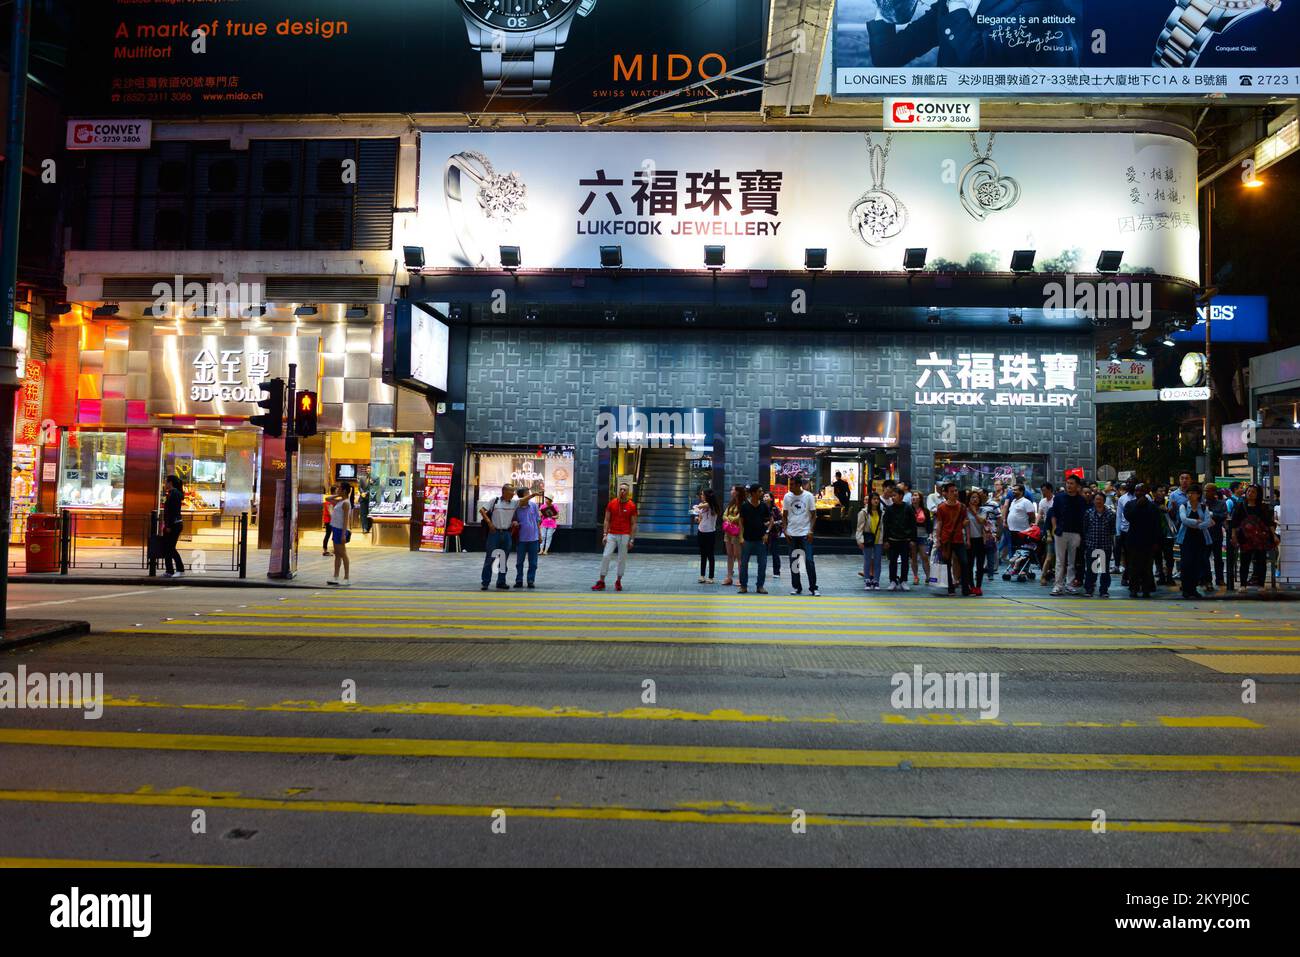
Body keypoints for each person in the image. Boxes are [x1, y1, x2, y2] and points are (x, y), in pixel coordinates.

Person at [479, 482, 524, 591]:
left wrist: (533, 495)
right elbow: (482, 510)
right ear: (504, 492)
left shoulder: (513, 503)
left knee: (503, 559)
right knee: (490, 558)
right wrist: (489, 523)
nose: (513, 493)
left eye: (513, 491)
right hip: (494, 534)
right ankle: (485, 582)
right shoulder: (495, 501)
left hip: (507, 534)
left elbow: (523, 501)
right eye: (511, 491)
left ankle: (501, 581)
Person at [1230, 483, 1275, 592]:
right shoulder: (1240, 505)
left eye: (1253, 492)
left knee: (1261, 561)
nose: (1250, 493)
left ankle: (1261, 585)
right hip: (1245, 538)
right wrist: (1233, 535)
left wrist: (1274, 536)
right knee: (1244, 561)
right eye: (1249, 491)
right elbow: (1234, 522)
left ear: (1258, 494)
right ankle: (1243, 585)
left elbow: (1269, 523)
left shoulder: (1263, 507)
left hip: (1260, 539)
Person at [593, 484, 638, 591]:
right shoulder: (612, 503)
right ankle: (601, 581)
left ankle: (618, 581)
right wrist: (605, 534)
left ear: (628, 492)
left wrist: (631, 539)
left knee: (621, 558)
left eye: (624, 490)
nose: (622, 491)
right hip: (612, 534)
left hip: (625, 534)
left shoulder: (632, 506)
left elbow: (634, 524)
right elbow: (607, 520)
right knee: (606, 556)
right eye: (621, 489)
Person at [782, 474, 819, 596]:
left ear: (799, 485)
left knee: (809, 561)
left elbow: (814, 515)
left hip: (805, 534)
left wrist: (811, 531)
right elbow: (785, 516)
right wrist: (785, 531)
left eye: (792, 484)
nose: (790, 487)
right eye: (789, 484)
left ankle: (813, 587)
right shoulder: (787, 497)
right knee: (794, 562)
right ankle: (797, 587)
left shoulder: (808, 496)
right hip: (792, 534)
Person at [1049, 475, 1087, 596]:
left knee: (1072, 561)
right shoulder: (1059, 498)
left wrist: (1081, 534)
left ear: (1077, 486)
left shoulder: (1081, 500)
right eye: (1068, 483)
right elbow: (1053, 514)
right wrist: (1054, 528)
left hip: (1076, 533)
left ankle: (1070, 585)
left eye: (1072, 483)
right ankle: (1058, 585)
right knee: (1060, 561)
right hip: (1061, 532)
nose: (1069, 485)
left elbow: (1083, 518)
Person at [1175, 483, 1213, 600]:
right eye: (1189, 493)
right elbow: (1184, 520)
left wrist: (1197, 524)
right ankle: (1186, 589)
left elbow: (1208, 522)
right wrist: (1197, 522)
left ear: (1198, 495)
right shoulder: (1184, 506)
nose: (1190, 495)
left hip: (1200, 538)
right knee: (1186, 564)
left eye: (1193, 493)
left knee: (1197, 564)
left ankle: (1193, 589)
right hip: (1186, 539)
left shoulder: (1203, 507)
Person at [934, 483, 969, 596]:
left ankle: (965, 588)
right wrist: (938, 539)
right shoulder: (941, 507)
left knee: (964, 562)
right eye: (952, 491)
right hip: (946, 539)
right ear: (946, 493)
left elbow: (966, 523)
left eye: (956, 491)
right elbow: (939, 524)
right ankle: (950, 588)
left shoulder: (962, 507)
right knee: (947, 564)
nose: (955, 493)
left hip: (959, 539)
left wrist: (968, 539)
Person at [1123, 483, 1158, 599]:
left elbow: (1155, 525)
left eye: (1142, 491)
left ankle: (1146, 589)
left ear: (1146, 492)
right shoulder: (1130, 504)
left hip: (1148, 541)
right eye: (1137, 491)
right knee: (1133, 566)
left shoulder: (1152, 506)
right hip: (1134, 540)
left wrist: (1155, 542)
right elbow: (1129, 517)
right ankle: (1134, 589)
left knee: (1147, 567)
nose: (1139, 493)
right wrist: (1137, 506)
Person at [737, 483, 771, 594]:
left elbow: (771, 520)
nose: (762, 493)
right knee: (744, 563)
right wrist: (741, 536)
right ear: (753, 493)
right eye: (760, 491)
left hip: (760, 539)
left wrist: (767, 533)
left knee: (762, 563)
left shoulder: (764, 506)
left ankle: (760, 586)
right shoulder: (745, 506)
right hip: (747, 539)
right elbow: (741, 522)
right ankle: (743, 586)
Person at [881, 483, 914, 592]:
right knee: (892, 562)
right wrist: (885, 540)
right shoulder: (889, 509)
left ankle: (904, 580)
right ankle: (893, 581)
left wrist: (912, 540)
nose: (892, 497)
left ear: (901, 496)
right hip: (892, 540)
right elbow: (886, 525)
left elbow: (912, 524)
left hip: (905, 540)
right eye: (892, 495)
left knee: (905, 561)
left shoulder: (908, 508)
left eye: (894, 495)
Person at [1083, 492, 1115, 598]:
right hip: (1092, 545)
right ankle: (1089, 589)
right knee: (1091, 570)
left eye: (1100, 499)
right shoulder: (1089, 513)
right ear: (1094, 501)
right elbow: (1085, 528)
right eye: (1096, 499)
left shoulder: (1110, 514)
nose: (1098, 501)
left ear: (1104, 501)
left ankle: (1104, 590)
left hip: (1105, 546)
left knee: (1104, 570)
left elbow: (1112, 530)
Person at [963, 489, 993, 596]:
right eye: (972, 497)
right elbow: (964, 524)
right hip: (970, 540)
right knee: (969, 565)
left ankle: (978, 586)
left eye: (977, 498)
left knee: (980, 565)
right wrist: (967, 540)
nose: (975, 499)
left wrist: (974, 512)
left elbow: (981, 521)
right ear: (969, 499)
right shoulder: (965, 510)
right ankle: (972, 586)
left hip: (981, 540)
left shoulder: (983, 510)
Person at [513, 486, 542, 590]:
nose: (529, 495)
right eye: (527, 493)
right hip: (521, 539)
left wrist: (539, 534)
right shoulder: (516, 506)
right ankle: (519, 580)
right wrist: (514, 522)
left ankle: (531, 580)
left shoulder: (533, 506)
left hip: (533, 538)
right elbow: (513, 519)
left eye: (529, 493)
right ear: (522, 496)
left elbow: (537, 521)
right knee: (519, 562)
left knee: (533, 562)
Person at [159, 474, 186, 578]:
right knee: (168, 547)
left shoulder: (174, 494)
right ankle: (169, 570)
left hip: (174, 525)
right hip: (173, 524)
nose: (165, 484)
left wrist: (168, 525)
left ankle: (180, 569)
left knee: (170, 548)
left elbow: (172, 511)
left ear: (170, 483)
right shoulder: (173, 493)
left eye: (166, 482)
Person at [856, 491, 884, 590]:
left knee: (878, 561)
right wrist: (860, 540)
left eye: (877, 499)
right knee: (867, 560)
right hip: (867, 539)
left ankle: (876, 580)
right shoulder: (863, 513)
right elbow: (859, 528)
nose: (876, 501)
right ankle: (867, 580)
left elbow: (883, 528)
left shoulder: (882, 513)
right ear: (870, 501)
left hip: (879, 540)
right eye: (874, 499)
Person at [327, 484, 353, 587]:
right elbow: (328, 498)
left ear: (345, 491)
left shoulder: (346, 503)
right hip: (335, 529)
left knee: (343, 554)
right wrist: (337, 495)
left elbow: (346, 520)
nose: (338, 490)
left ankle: (346, 578)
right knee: (337, 555)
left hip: (340, 530)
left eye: (340, 489)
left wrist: (343, 535)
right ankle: (336, 576)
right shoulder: (341, 501)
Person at [692, 488, 720, 584]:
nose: (701, 496)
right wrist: (697, 518)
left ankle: (711, 577)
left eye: (703, 494)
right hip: (701, 532)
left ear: (707, 496)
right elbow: (700, 520)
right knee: (703, 554)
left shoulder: (712, 506)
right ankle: (702, 575)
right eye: (701, 494)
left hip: (710, 533)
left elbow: (705, 505)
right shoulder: (703, 506)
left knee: (710, 555)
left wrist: (698, 506)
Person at [1204, 485, 1227, 590]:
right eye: (1205, 491)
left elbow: (1223, 516)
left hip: (1216, 534)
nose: (1206, 493)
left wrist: (1212, 514)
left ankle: (1220, 578)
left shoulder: (1221, 503)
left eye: (1208, 491)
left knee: (1218, 558)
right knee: (1204, 559)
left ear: (1214, 492)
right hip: (1204, 534)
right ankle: (1207, 580)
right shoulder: (1202, 503)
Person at [1152, 486, 1176, 586]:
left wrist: (1171, 510)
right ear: (1154, 493)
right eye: (1160, 491)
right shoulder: (1151, 504)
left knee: (1169, 557)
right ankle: (1161, 576)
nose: (1162, 493)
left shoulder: (1168, 502)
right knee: (1158, 557)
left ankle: (1169, 577)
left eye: (1163, 491)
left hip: (1168, 535)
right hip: (1156, 535)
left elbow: (1174, 517)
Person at [721, 485, 744, 586]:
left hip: (737, 532)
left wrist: (730, 518)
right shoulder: (731, 503)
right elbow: (724, 515)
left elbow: (739, 518)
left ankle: (741, 578)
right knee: (730, 555)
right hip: (728, 531)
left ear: (738, 492)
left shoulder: (743, 504)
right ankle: (729, 577)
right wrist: (730, 518)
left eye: (733, 489)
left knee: (739, 556)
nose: (731, 491)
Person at [1115, 479, 1135, 584]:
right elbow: (1119, 516)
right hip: (1125, 530)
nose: (1129, 485)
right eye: (1128, 483)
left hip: (1139, 532)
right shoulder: (1122, 498)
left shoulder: (1145, 497)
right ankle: (1126, 575)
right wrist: (1118, 532)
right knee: (1126, 555)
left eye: (1131, 483)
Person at [1036, 482, 1055, 584]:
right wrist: (1035, 524)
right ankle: (1045, 574)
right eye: (1042, 490)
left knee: (1053, 555)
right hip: (1047, 528)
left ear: (1050, 490)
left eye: (1044, 490)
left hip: (1055, 528)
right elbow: (1040, 514)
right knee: (1047, 553)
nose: (1043, 492)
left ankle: (1052, 572)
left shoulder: (1055, 501)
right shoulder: (1043, 501)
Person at [912, 495, 933, 585]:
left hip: (923, 535)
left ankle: (928, 576)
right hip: (912, 535)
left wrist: (930, 534)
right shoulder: (909, 509)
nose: (914, 497)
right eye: (913, 496)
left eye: (916, 496)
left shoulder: (925, 511)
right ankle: (915, 576)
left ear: (920, 498)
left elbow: (929, 523)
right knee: (913, 558)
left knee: (924, 557)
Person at [764, 492, 783, 578]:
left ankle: (776, 572)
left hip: (774, 534)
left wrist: (772, 523)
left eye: (767, 496)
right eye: (764, 496)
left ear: (771, 498)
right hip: (763, 534)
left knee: (775, 553)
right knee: (763, 553)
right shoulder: (761, 508)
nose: (765, 497)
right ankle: (762, 570)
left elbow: (781, 521)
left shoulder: (775, 509)